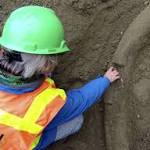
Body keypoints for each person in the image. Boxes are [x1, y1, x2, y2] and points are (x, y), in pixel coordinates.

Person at [0, 5, 120, 150]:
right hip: (20, 145)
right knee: (76, 120)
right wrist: (105, 80)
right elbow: (80, 100)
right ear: (45, 65)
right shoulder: (45, 105)